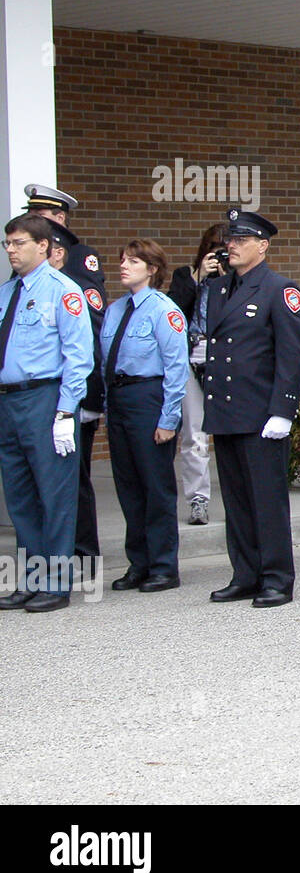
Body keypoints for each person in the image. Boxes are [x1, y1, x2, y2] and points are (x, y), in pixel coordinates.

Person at [202, 208, 300, 607]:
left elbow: (292, 355)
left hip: (261, 413)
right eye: (230, 239)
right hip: (228, 411)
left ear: (262, 246)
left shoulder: (279, 289)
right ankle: (245, 573)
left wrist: (283, 410)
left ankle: (277, 577)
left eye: (241, 240)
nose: (232, 245)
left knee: (266, 501)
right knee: (237, 501)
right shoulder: (218, 289)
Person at [0, 213, 94, 612]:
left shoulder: (63, 291)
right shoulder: (6, 293)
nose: (10, 250)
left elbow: (78, 356)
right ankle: (32, 579)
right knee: (20, 496)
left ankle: (56, 583)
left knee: (53, 494)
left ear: (43, 246)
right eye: (7, 244)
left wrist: (65, 412)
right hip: (8, 400)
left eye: (18, 243)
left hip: (45, 398)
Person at [22, 184, 105, 565]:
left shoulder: (76, 258)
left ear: (59, 221)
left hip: (72, 394)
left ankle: (83, 553)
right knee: (37, 483)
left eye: (43, 217)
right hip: (34, 396)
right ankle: (49, 557)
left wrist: (86, 400)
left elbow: (86, 330)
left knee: (75, 478)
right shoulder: (22, 268)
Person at [102, 239, 189, 593]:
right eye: (122, 259)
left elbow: (176, 368)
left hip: (148, 398)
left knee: (155, 486)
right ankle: (139, 562)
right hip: (120, 399)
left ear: (152, 269)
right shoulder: (115, 310)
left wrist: (168, 419)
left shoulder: (163, 310)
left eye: (133, 261)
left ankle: (164, 566)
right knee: (129, 486)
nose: (124, 265)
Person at [166, 224, 225, 526]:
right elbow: (173, 313)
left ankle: (235, 496)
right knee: (194, 434)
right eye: (214, 246)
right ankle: (198, 499)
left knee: (231, 433)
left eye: (225, 247)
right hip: (192, 357)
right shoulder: (186, 275)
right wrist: (199, 276)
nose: (219, 253)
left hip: (225, 362)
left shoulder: (237, 280)